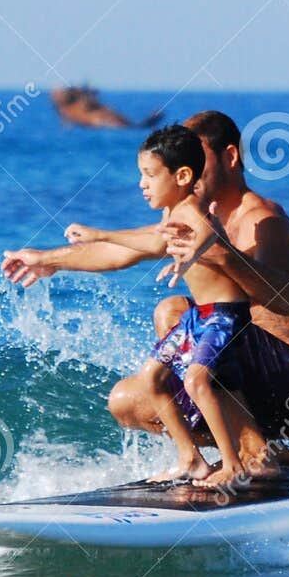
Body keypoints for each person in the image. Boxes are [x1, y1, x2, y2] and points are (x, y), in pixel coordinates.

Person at [0, 110, 289, 475]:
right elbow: (123, 250)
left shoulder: (264, 220)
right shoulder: (188, 213)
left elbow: (285, 301)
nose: (187, 169)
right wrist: (48, 260)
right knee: (129, 402)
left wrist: (224, 256)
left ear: (230, 157)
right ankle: (242, 449)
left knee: (173, 311)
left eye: (196, 157)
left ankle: (253, 452)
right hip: (248, 381)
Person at [85, 124, 267, 484]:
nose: (142, 184)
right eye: (141, 175)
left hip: (223, 317)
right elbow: (155, 243)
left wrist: (192, 252)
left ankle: (233, 466)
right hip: (199, 317)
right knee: (152, 378)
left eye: (150, 175)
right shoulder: (174, 213)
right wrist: (100, 235)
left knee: (197, 382)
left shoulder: (192, 209)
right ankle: (191, 459)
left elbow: (211, 231)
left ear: (182, 176)